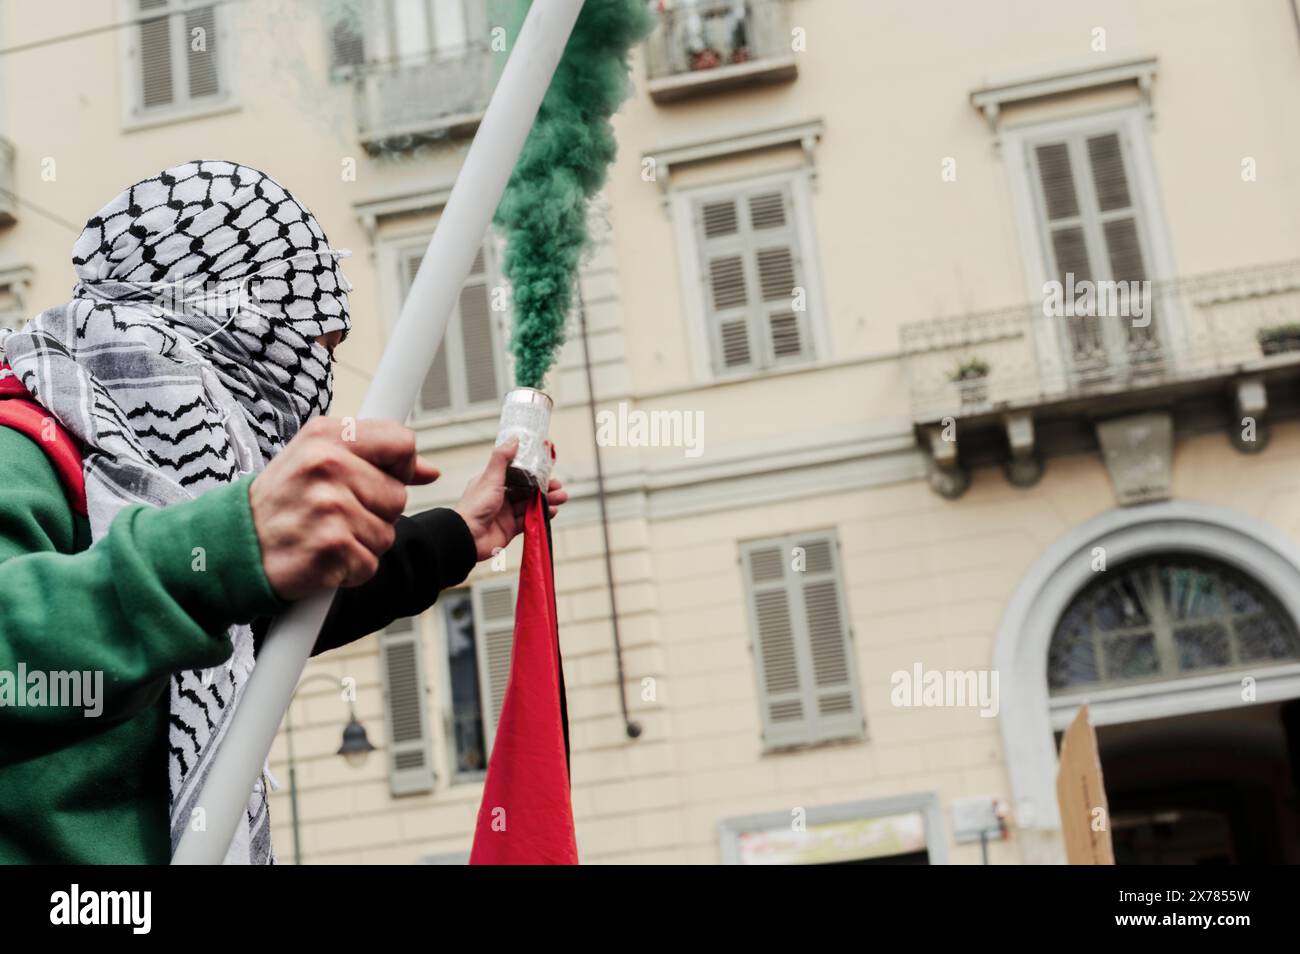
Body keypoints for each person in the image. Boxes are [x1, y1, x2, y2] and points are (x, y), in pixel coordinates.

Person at [0, 159, 567, 864]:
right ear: (222, 319)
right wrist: (231, 543)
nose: (314, 387)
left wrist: (460, 532)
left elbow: (255, 624)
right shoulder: (20, 449)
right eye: (306, 349)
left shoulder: (159, 471)